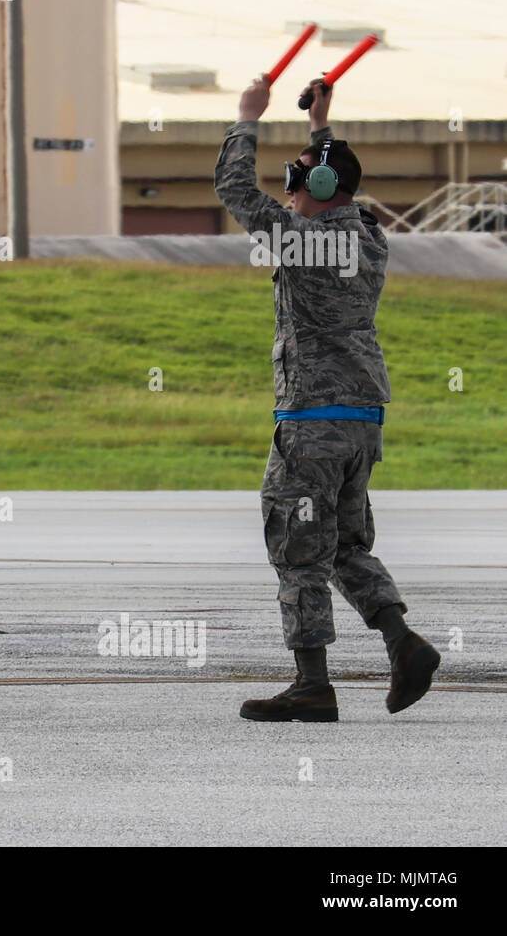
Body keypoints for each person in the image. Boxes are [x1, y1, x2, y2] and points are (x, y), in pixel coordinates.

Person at [214, 74, 440, 722]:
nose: (286, 187)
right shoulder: (369, 237)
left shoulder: (298, 239)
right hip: (362, 420)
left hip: (311, 422)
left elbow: (232, 190)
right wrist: (321, 129)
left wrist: (247, 118)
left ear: (316, 189)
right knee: (342, 545)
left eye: (297, 176)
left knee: (296, 545)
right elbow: (336, 185)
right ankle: (403, 644)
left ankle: (312, 684)